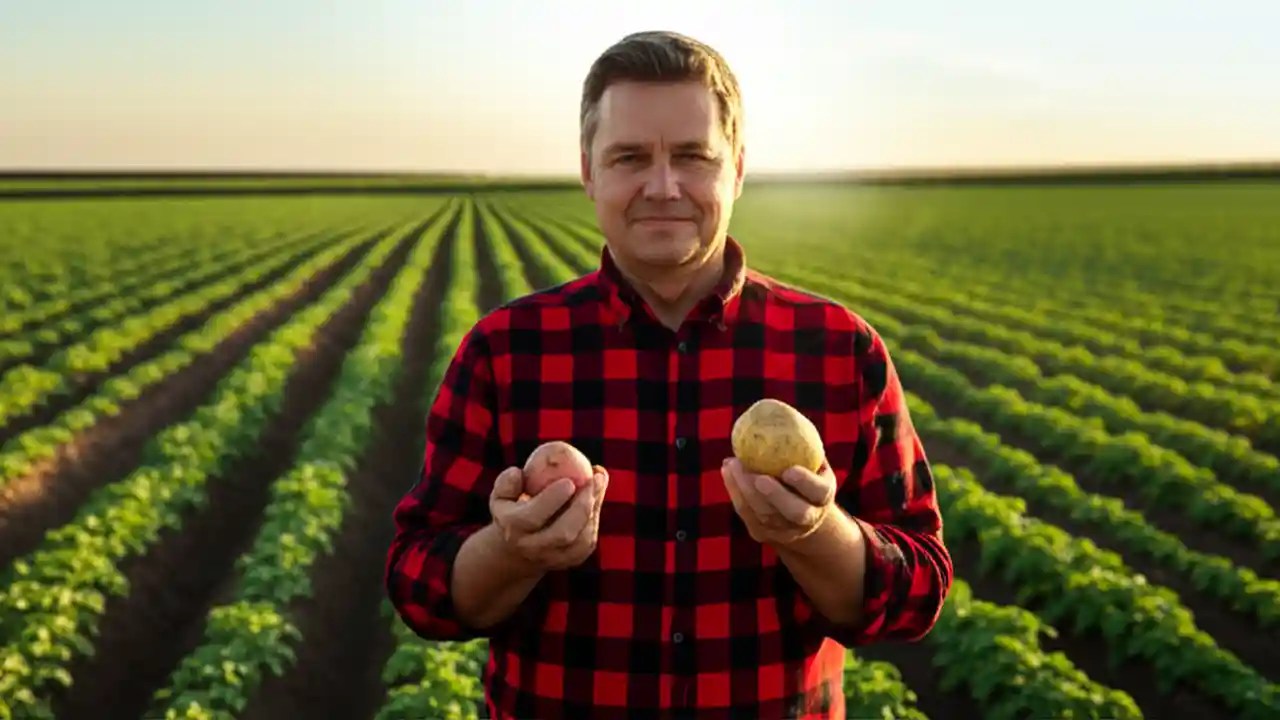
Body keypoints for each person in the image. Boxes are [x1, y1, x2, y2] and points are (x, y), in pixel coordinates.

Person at [385, 29, 952, 720]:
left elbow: (916, 594)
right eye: (630, 158)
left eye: (692, 157)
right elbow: (419, 588)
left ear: (736, 170)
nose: (663, 187)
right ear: (590, 172)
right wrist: (514, 551)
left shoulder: (837, 349)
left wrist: (813, 533)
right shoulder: (507, 351)